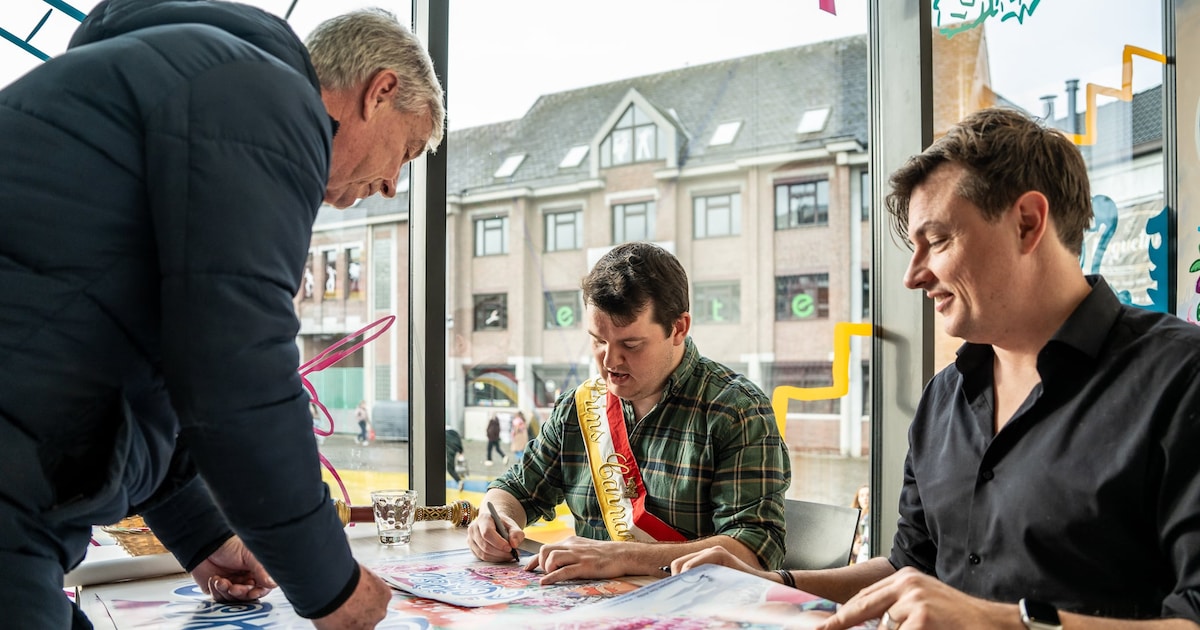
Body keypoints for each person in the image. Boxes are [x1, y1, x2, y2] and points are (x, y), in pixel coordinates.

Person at [0, 1, 445, 628]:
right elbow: (238, 373)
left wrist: (204, 535)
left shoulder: (199, 85)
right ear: (380, 91)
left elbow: (153, 380)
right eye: (410, 149)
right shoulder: (266, 101)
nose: (395, 184)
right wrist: (332, 587)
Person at [672, 107, 1200, 630]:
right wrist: (765, 583)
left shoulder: (1181, 376)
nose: (913, 275)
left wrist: (1002, 622)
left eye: (939, 240)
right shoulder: (945, 396)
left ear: (1027, 223)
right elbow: (910, 567)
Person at [467, 242, 791, 585]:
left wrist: (622, 555)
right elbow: (516, 489)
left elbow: (753, 548)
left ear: (679, 328)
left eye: (630, 345)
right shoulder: (578, 407)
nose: (609, 361)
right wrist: (495, 519)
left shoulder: (736, 410)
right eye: (597, 340)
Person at [849, 484, 869, 565]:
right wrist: (853, 548)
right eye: (862, 496)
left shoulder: (873, 518)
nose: (865, 498)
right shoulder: (853, 518)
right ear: (858, 499)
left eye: (868, 495)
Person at [446, 424, 466, 492]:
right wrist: (461, 451)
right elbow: (459, 441)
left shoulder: (445, 434)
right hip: (453, 451)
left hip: (448, 451)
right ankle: (459, 481)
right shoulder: (455, 433)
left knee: (449, 469)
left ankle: (459, 481)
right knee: (450, 468)